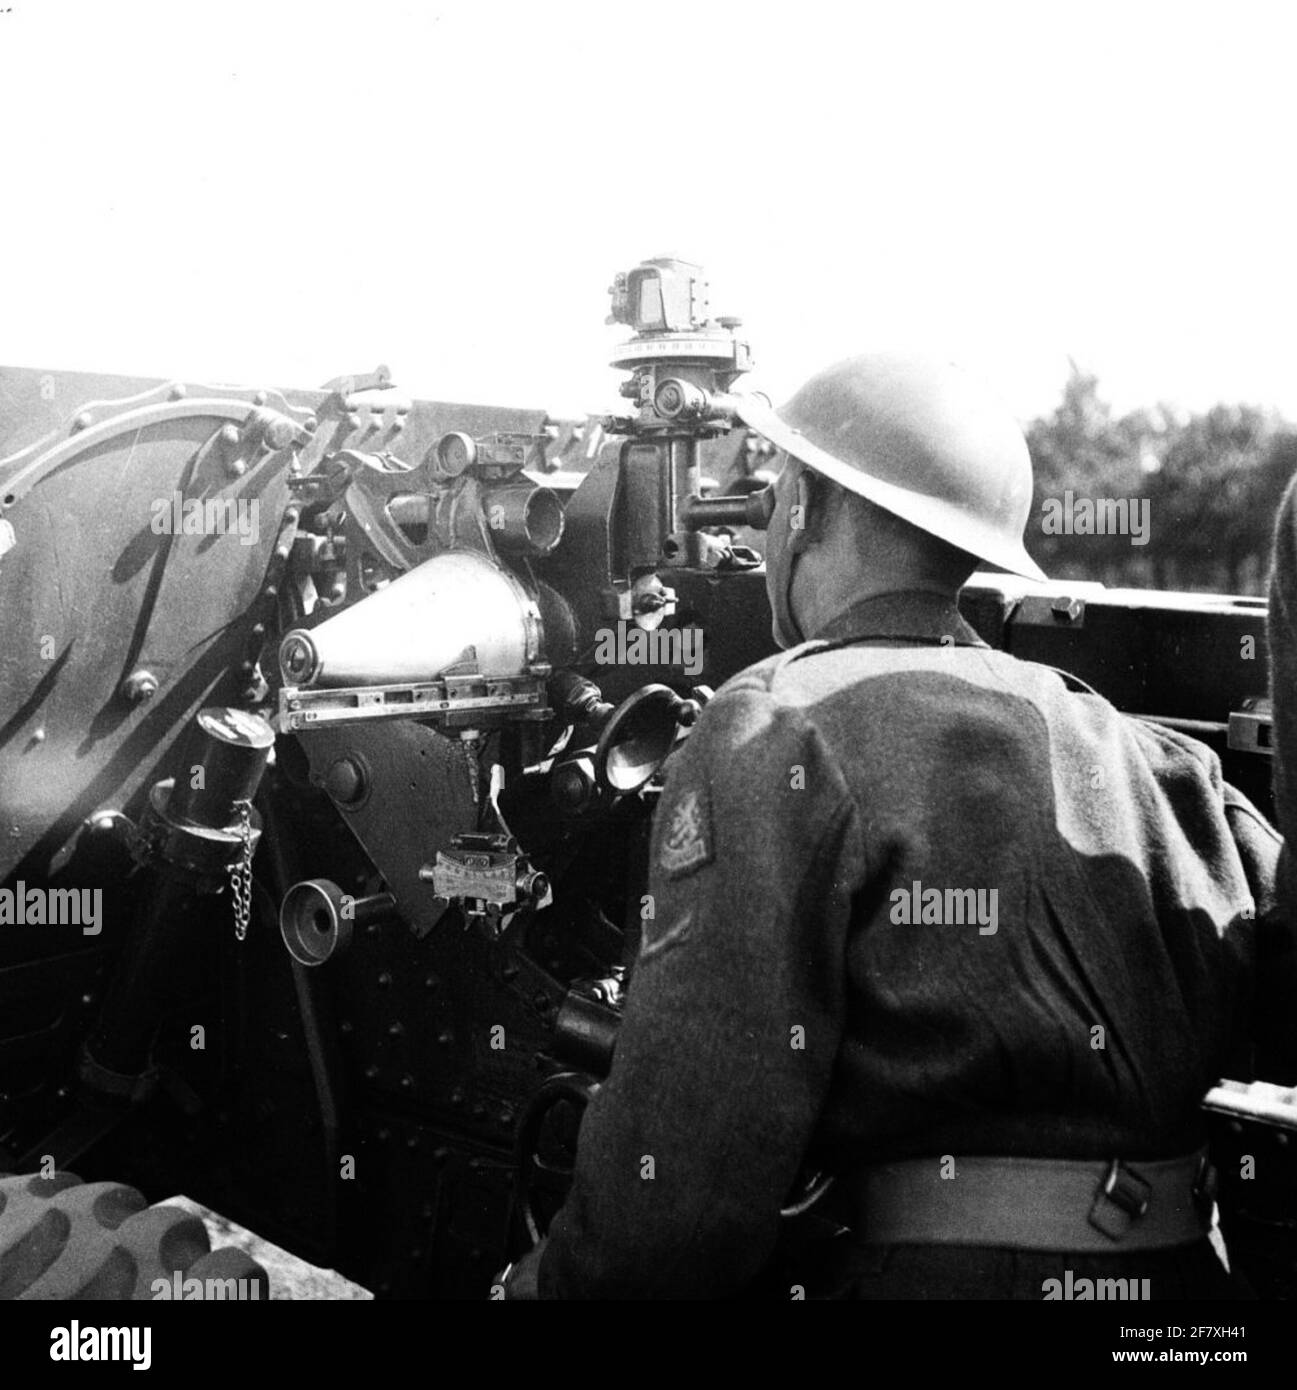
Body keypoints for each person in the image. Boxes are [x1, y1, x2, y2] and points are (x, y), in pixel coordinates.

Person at [504, 352, 1288, 1300]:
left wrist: (548, 1284)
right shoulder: (1161, 762)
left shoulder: (778, 725)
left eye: (781, 489)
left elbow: (690, 1166)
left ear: (808, 509)